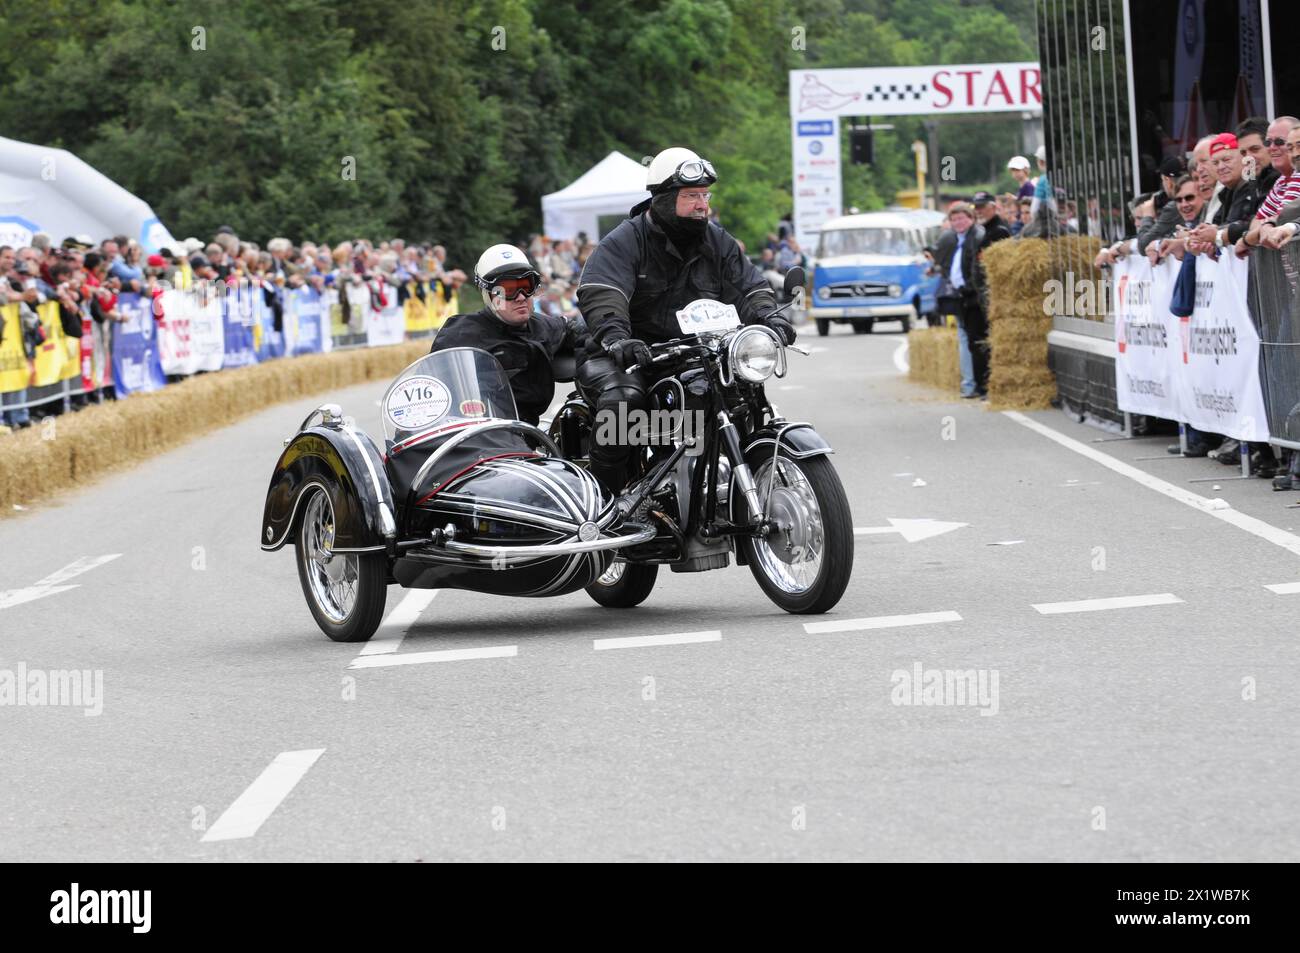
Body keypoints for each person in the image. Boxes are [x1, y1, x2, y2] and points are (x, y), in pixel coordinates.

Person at [575, 146, 792, 493]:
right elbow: (603, 293)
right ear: (662, 198)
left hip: (694, 352)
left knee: (740, 391)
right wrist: (618, 338)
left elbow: (749, 285)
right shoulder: (625, 242)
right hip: (629, 355)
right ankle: (606, 504)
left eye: (705, 195)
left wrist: (771, 318)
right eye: (691, 195)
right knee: (623, 404)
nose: (702, 204)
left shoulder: (717, 241)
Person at [429, 244, 577, 426]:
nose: (521, 297)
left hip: (528, 436)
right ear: (488, 294)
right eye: (509, 289)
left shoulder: (544, 325)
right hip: (477, 436)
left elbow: (584, 333)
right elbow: (429, 395)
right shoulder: (459, 334)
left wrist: (614, 336)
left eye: (526, 286)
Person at [931, 203, 987, 398]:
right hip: (962, 295)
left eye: (962, 218)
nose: (958, 223)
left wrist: (970, 288)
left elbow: (977, 268)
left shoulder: (976, 237)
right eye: (954, 220)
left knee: (975, 340)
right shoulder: (957, 239)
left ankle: (978, 385)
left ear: (971, 218)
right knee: (968, 339)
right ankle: (972, 384)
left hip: (973, 296)